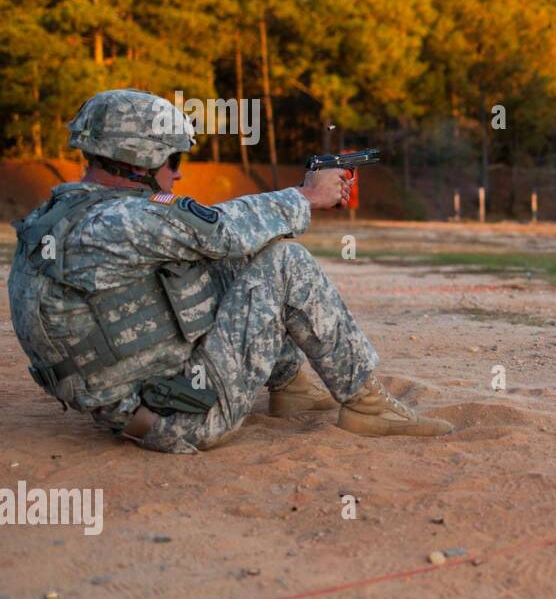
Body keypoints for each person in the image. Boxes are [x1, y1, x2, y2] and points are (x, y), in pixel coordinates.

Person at [7, 89, 452, 453]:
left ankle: (290, 384)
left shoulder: (68, 211)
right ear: (136, 162)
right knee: (284, 262)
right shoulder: (120, 221)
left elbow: (203, 233)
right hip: (180, 421)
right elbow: (221, 230)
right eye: (174, 161)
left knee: (237, 255)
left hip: (138, 406)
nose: (179, 175)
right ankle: (366, 404)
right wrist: (306, 195)